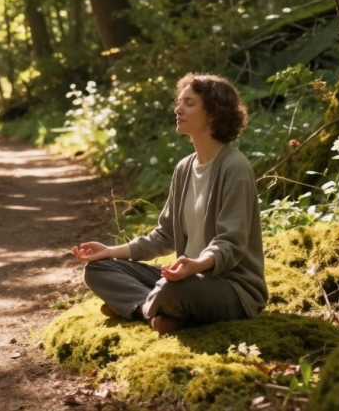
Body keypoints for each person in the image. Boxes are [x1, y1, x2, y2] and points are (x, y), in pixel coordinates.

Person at [71, 73, 267, 335]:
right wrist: (109, 251)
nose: (178, 109)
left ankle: (145, 307)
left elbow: (231, 243)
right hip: (187, 278)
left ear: (213, 113)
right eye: (180, 102)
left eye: (189, 103)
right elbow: (164, 235)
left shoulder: (235, 167)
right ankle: (152, 311)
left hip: (231, 287)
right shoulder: (184, 168)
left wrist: (197, 265)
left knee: (173, 288)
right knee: (98, 269)